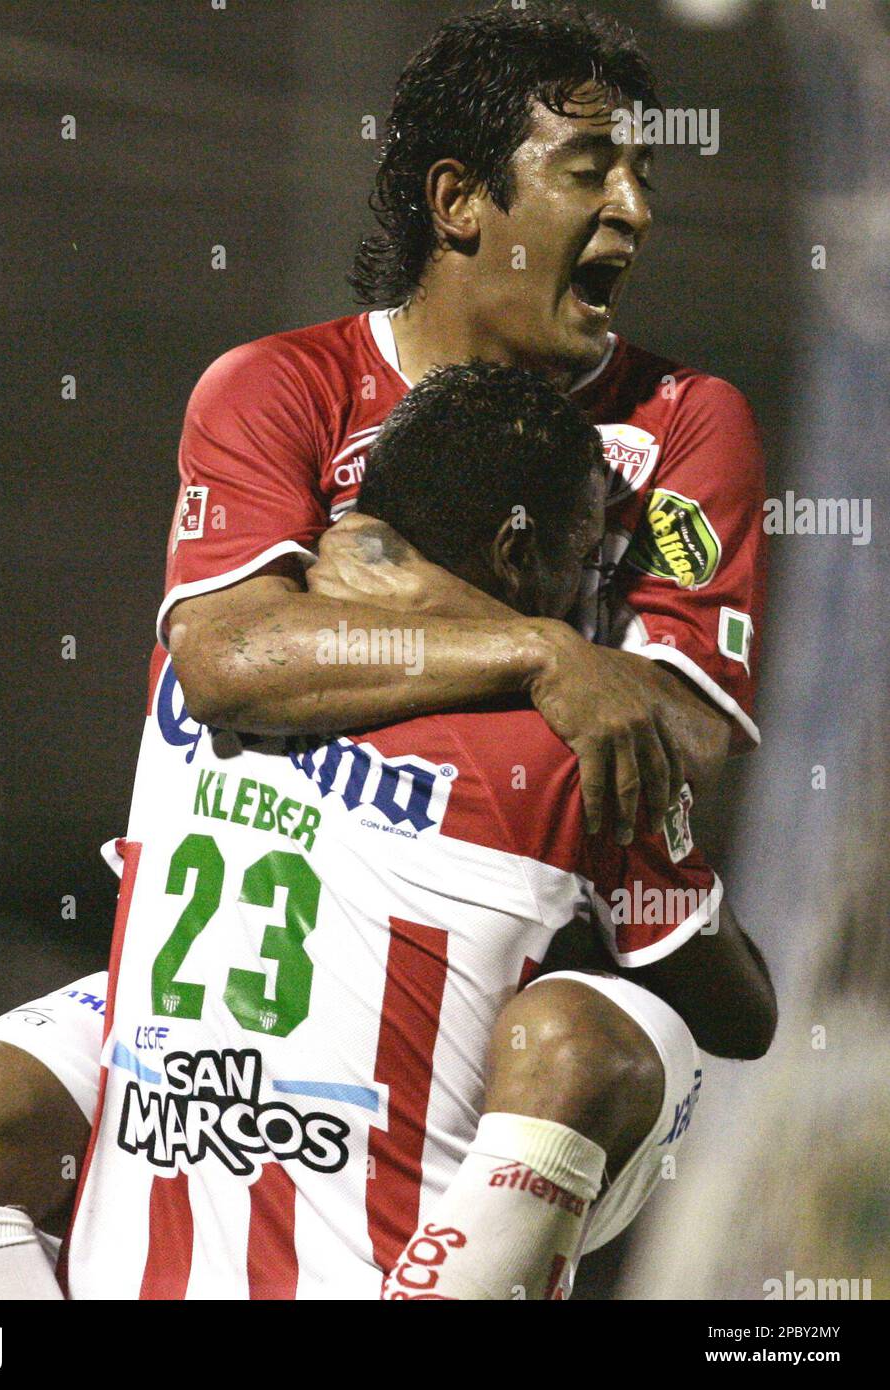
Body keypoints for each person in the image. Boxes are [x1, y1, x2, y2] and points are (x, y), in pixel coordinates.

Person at [0, 3, 768, 1297]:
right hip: (285, 923)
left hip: (545, 965)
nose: (631, 208)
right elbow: (229, 658)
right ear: (458, 200)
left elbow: (670, 732)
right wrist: (536, 650)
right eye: (589, 172)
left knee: (572, 1039)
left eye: (640, 174)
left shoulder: (683, 424)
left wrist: (367, 602)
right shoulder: (275, 385)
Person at [75, 365, 775, 1299]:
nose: (587, 593)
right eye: (580, 557)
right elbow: (741, 1017)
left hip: (128, 1273)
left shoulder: (189, 676)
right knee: (594, 1034)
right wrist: (581, 698)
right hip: (378, 1262)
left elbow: (245, 646)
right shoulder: (566, 753)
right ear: (516, 551)